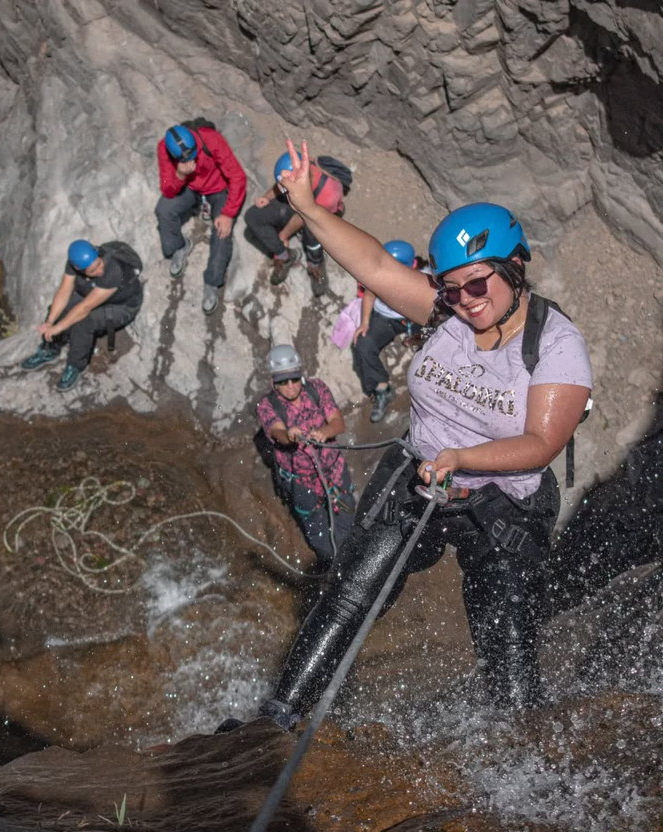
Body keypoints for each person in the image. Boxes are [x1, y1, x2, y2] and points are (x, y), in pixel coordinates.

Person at [254, 139, 592, 728]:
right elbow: (378, 268)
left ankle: (521, 752)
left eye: (477, 285)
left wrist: (461, 456)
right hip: (419, 475)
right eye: (452, 287)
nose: (465, 301)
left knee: (504, 643)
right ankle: (275, 719)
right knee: (349, 598)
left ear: (515, 267)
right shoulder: (448, 312)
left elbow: (542, 444)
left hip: (501, 502)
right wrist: (308, 208)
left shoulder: (555, 345)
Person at [256, 345, 356, 571]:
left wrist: (325, 432)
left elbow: (338, 422)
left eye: (294, 379)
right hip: (300, 478)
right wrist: (289, 435)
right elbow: (277, 432)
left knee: (347, 515)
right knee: (315, 524)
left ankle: (350, 558)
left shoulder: (317, 389)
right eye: (283, 382)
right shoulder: (268, 406)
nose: (290, 387)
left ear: (301, 374)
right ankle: (332, 564)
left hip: (333, 469)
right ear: (274, 382)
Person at [20, 239, 143, 392]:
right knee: (59, 309)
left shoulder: (112, 270)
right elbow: (64, 292)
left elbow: (84, 308)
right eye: (93, 271)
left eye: (99, 263)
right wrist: (50, 322)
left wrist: (58, 328)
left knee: (85, 322)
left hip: (121, 305)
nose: (99, 270)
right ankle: (50, 349)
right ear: (79, 269)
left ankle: (75, 366)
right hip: (92, 292)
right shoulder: (73, 264)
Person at [156, 122, 246, 315]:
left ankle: (212, 282)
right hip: (188, 187)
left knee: (222, 233)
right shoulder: (164, 148)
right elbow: (167, 190)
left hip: (217, 189)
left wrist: (228, 213)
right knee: (164, 209)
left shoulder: (210, 139)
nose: (192, 160)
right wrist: (180, 174)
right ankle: (179, 246)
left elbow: (238, 177)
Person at [244, 152, 346, 296]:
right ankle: (284, 256)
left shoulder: (328, 193)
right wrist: (267, 198)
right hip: (298, 203)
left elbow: (302, 217)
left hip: (318, 211)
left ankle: (316, 263)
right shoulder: (296, 173)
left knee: (313, 232)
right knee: (253, 217)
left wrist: (283, 235)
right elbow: (283, 186)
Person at [352, 240, 417, 423]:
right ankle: (382, 389)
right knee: (363, 344)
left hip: (412, 316)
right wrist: (365, 322)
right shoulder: (378, 276)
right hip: (386, 318)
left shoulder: (420, 278)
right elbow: (369, 296)